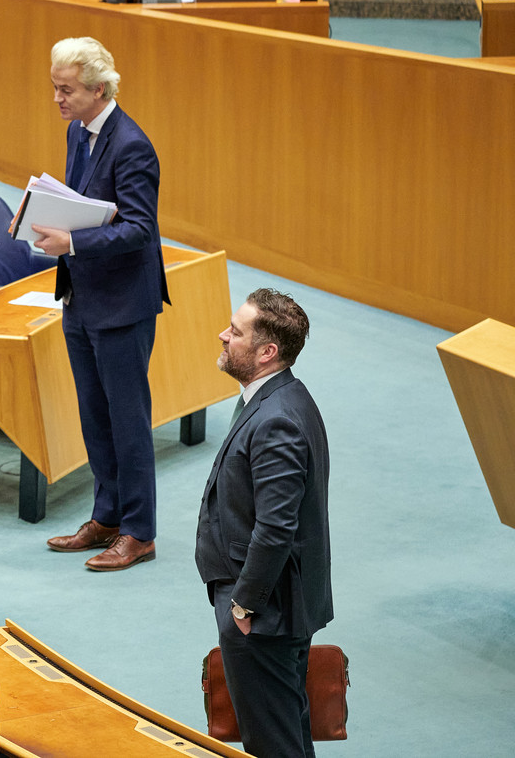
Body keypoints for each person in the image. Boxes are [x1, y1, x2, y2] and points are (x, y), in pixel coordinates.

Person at [37, 36, 170, 571]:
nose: (58, 99)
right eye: (54, 88)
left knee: (127, 421)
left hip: (122, 305)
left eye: (66, 90)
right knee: (95, 417)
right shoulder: (78, 131)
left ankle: (139, 532)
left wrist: (72, 243)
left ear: (98, 89)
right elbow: (85, 205)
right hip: (82, 297)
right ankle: (108, 515)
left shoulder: (133, 145)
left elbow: (140, 228)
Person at [195, 288, 332, 757]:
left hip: (265, 614)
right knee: (286, 730)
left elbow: (275, 528)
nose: (223, 335)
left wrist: (243, 607)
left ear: (266, 352)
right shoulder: (279, 396)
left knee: (271, 743)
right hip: (275, 606)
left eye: (235, 332)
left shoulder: (278, 420)